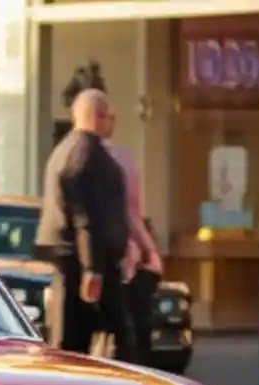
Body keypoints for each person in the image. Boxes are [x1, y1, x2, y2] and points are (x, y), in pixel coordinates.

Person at [34, 88, 137, 362]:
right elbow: (86, 217)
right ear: (99, 117)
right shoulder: (86, 156)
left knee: (84, 338)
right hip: (83, 264)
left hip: (81, 261)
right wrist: (92, 268)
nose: (113, 123)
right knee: (95, 340)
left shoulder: (67, 150)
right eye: (110, 116)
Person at [98, 105, 163, 365]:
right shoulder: (119, 159)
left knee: (120, 330)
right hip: (120, 258)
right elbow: (131, 212)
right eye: (109, 117)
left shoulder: (111, 157)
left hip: (118, 258)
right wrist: (148, 250)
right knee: (130, 331)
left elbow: (132, 212)